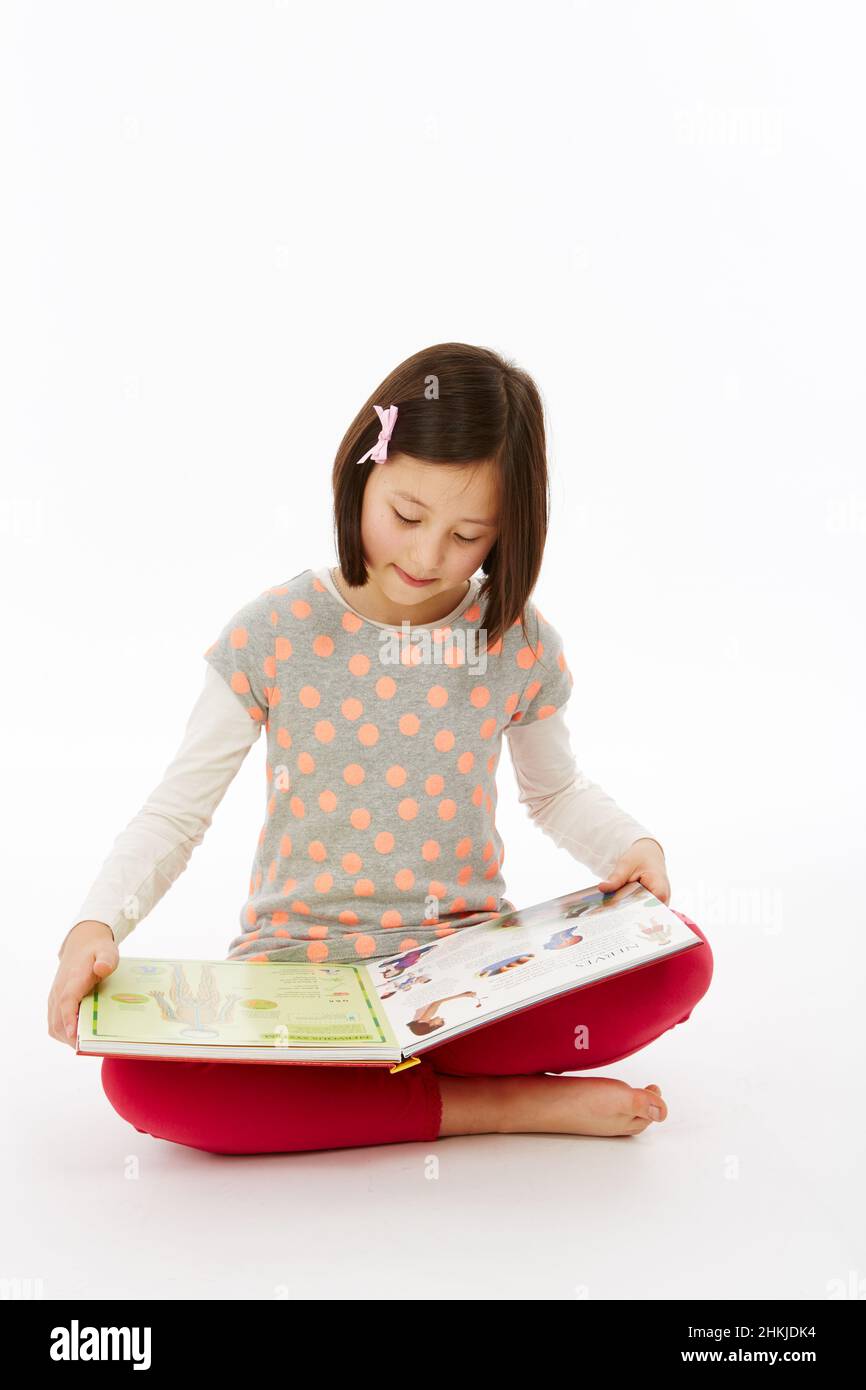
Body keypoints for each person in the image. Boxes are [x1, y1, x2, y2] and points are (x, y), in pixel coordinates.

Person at [47, 341, 713, 1154]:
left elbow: (557, 791)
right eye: (406, 516)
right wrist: (96, 922)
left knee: (680, 961)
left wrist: (631, 845)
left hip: (467, 979)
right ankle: (495, 1108)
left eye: (469, 535)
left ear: (507, 536)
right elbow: (177, 812)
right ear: (361, 469)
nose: (428, 557)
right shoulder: (275, 633)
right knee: (141, 1079)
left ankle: (394, 1086)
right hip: (298, 978)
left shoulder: (514, 641)